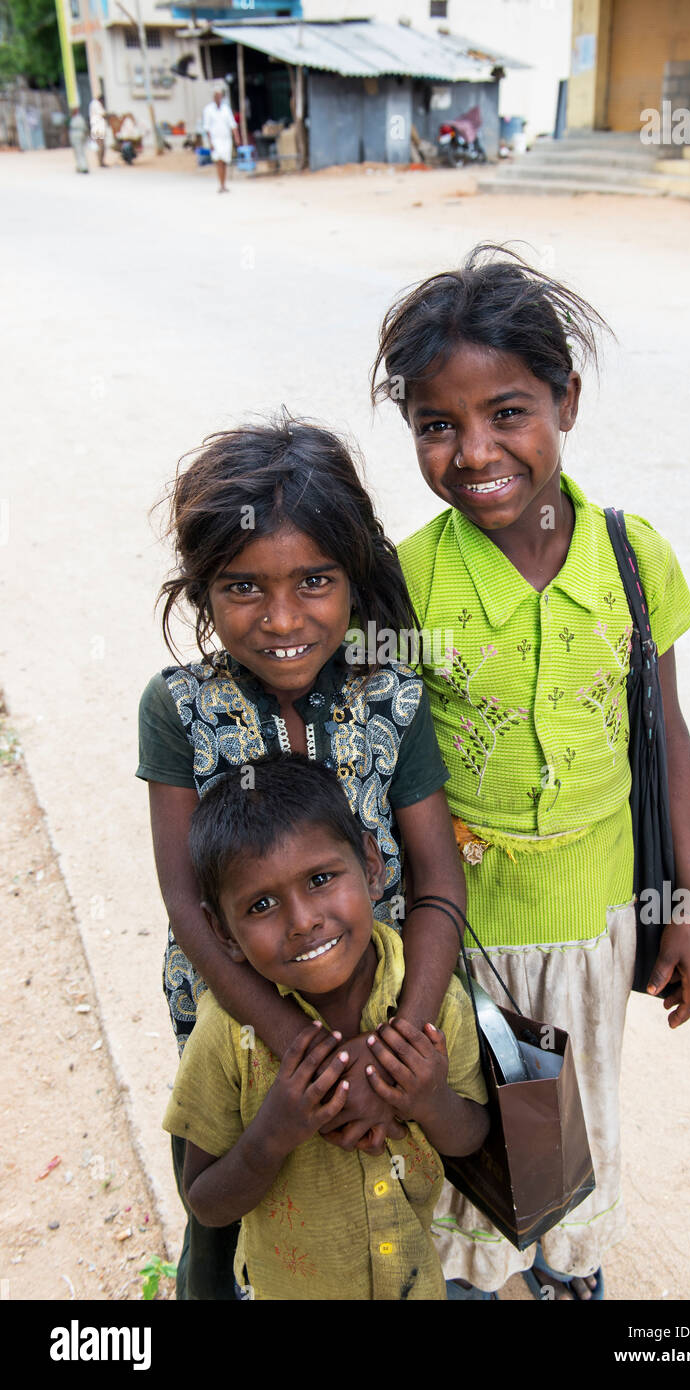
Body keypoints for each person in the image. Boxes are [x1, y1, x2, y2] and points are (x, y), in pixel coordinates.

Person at [371, 243, 690, 1300]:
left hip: (596, 913)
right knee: (473, 1112)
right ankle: (479, 1276)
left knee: (577, 1104)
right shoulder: (407, 583)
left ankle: (569, 1267)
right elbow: (380, 764)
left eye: (507, 412)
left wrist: (687, 905)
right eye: (437, 424)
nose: (474, 450)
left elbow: (667, 736)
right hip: (455, 928)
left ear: (564, 398)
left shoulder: (630, 556)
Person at [137, 415, 467, 1298]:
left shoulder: (391, 692)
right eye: (243, 587)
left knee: (378, 1192)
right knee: (229, 1197)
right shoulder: (179, 708)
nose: (283, 619)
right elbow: (186, 906)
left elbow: (437, 885)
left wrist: (398, 1039)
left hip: (384, 1005)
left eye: (314, 581)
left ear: (353, 579)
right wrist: (300, 1049)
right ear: (201, 590)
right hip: (238, 1020)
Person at [162, 755, 488, 1300]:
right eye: (261, 904)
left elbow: (471, 1140)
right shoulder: (227, 1037)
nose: (302, 920)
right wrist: (272, 1135)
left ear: (371, 862)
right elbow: (206, 1202)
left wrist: (429, 1099)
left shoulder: (429, 1001)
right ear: (221, 932)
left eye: (320, 879)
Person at [202, 82, 240, 192]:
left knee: (224, 161)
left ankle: (224, 183)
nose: (218, 97)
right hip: (215, 139)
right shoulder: (208, 109)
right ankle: (221, 184)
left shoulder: (226, 109)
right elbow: (207, 128)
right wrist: (210, 142)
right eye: (216, 95)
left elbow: (232, 124)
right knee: (218, 161)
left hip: (226, 139)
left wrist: (236, 137)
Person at [68, 107, 89, 174]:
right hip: (75, 136)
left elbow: (84, 128)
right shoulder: (73, 118)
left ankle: (83, 166)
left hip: (78, 135)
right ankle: (80, 166)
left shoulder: (79, 118)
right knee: (77, 152)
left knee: (80, 152)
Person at [89, 93, 106, 167]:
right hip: (98, 128)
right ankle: (101, 162)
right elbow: (102, 113)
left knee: (99, 145)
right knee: (101, 146)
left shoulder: (93, 103)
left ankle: (100, 161)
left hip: (96, 127)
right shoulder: (96, 104)